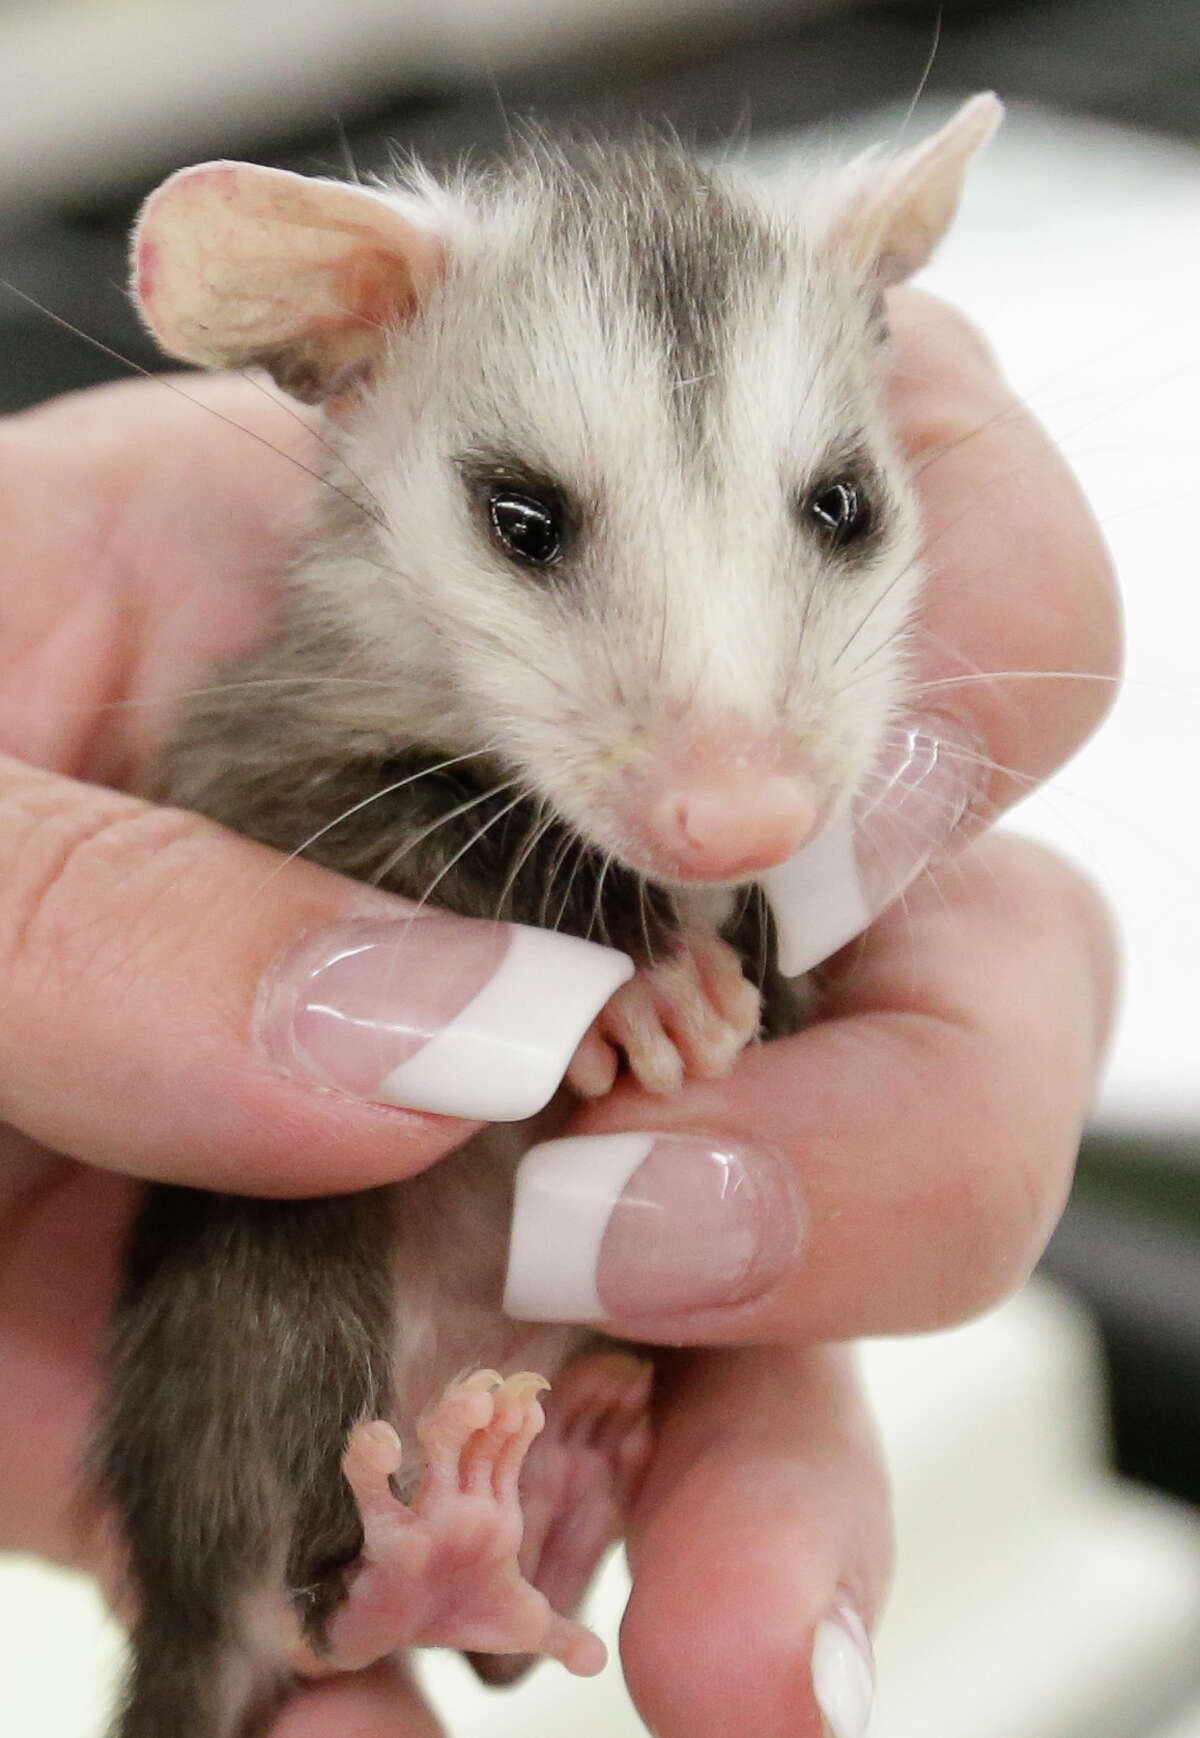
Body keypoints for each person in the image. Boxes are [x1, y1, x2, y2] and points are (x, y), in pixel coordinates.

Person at [0, 290, 1119, 1738]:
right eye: (534, 529)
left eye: (835, 513)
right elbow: (302, 807)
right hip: (290, 1386)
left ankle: (477, 1543)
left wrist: (727, 983)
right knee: (264, 1251)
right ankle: (328, 1578)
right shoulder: (300, 664)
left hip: (481, 1399)